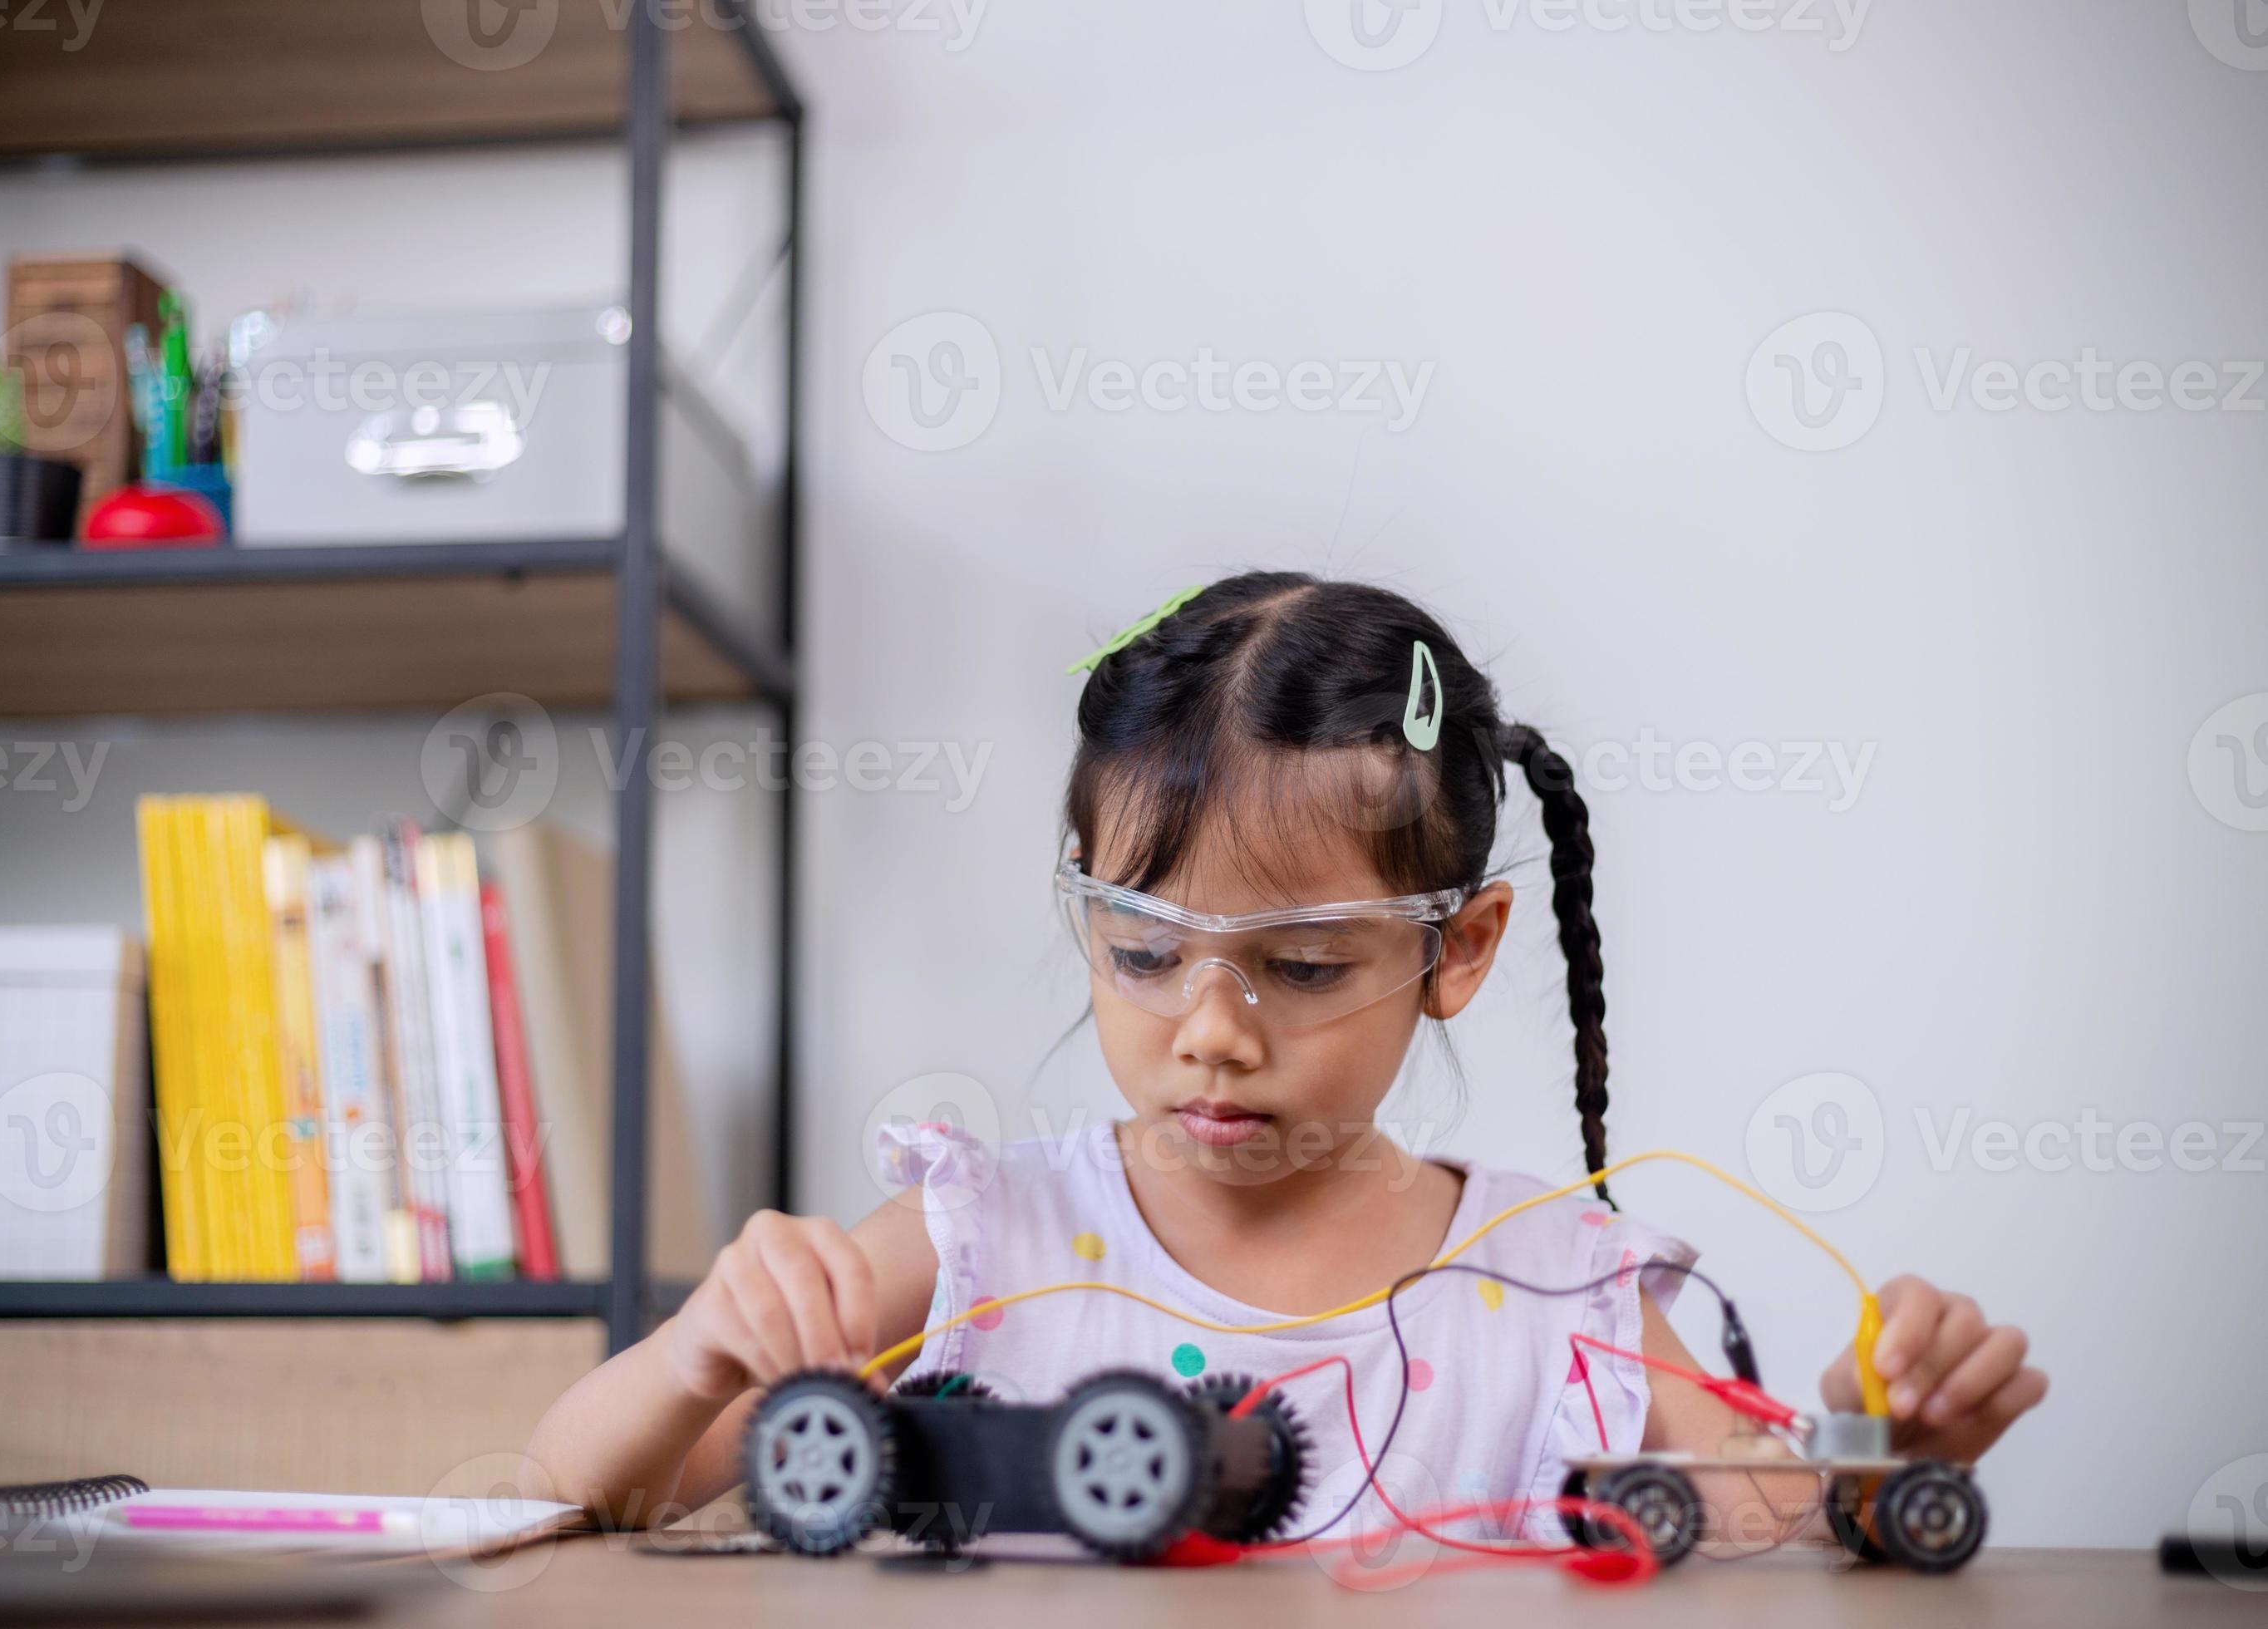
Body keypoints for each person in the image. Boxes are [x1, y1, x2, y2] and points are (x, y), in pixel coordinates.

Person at [527, 571, 2044, 1548]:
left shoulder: (1552, 1287)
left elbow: (1786, 1537)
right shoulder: (977, 1240)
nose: (1209, 1030)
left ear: (1458, 950)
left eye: (1302, 967)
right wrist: (698, 1353)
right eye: (1143, 953)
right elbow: (577, 1497)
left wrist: (1880, 1447)